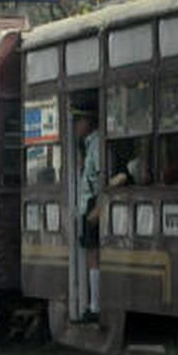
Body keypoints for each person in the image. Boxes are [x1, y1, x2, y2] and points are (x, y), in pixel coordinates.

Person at [75, 110, 101, 321]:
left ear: (89, 121)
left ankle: (95, 306)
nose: (76, 125)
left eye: (79, 120)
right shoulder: (88, 144)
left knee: (93, 256)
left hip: (94, 204)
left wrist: (99, 206)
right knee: (89, 254)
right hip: (87, 205)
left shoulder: (97, 144)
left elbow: (102, 175)